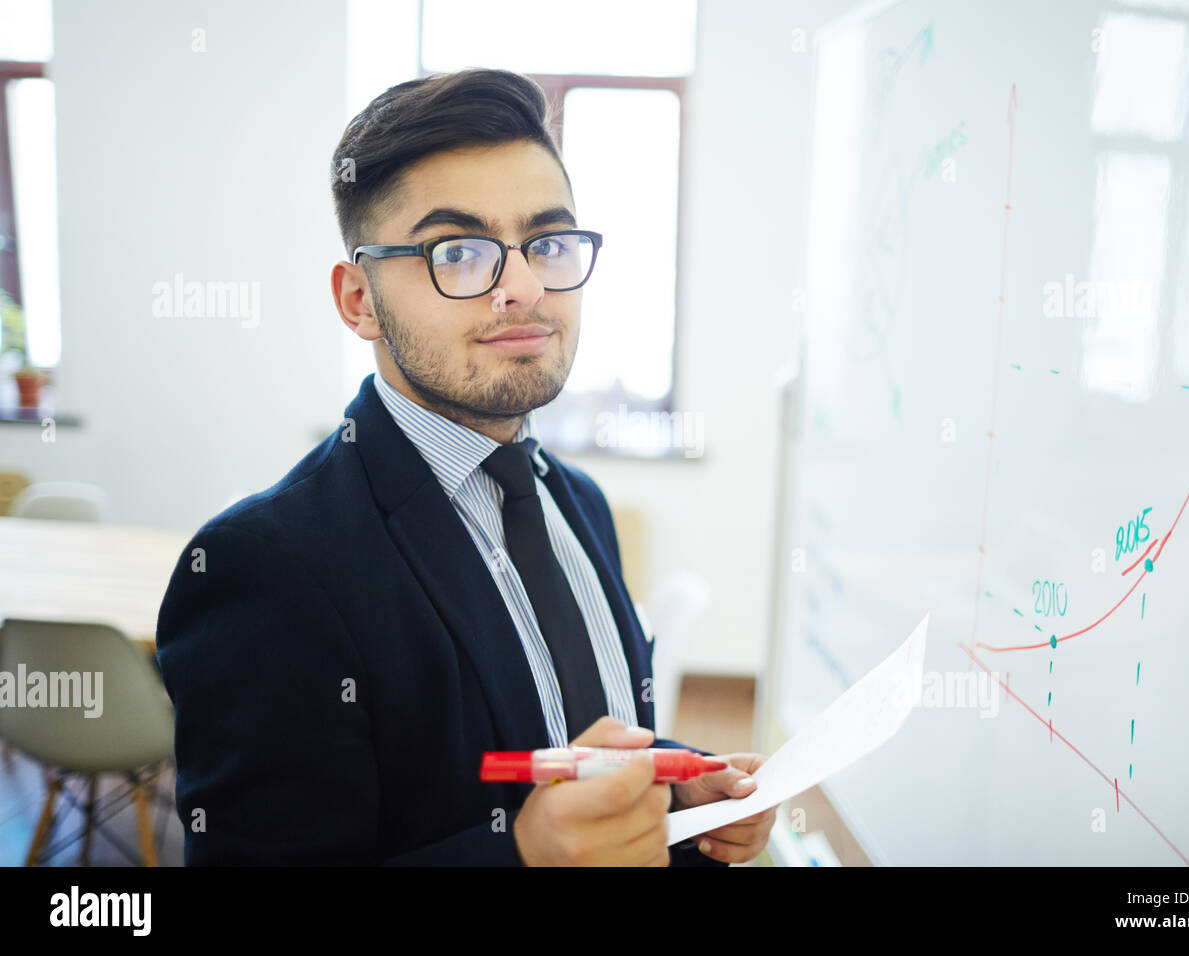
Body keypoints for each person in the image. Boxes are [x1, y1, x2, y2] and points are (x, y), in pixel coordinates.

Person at [155, 67, 776, 866]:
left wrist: (675, 787)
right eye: (459, 251)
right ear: (359, 300)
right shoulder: (264, 567)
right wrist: (521, 858)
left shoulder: (575, 501)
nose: (521, 287)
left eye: (547, 243)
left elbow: (571, 733)